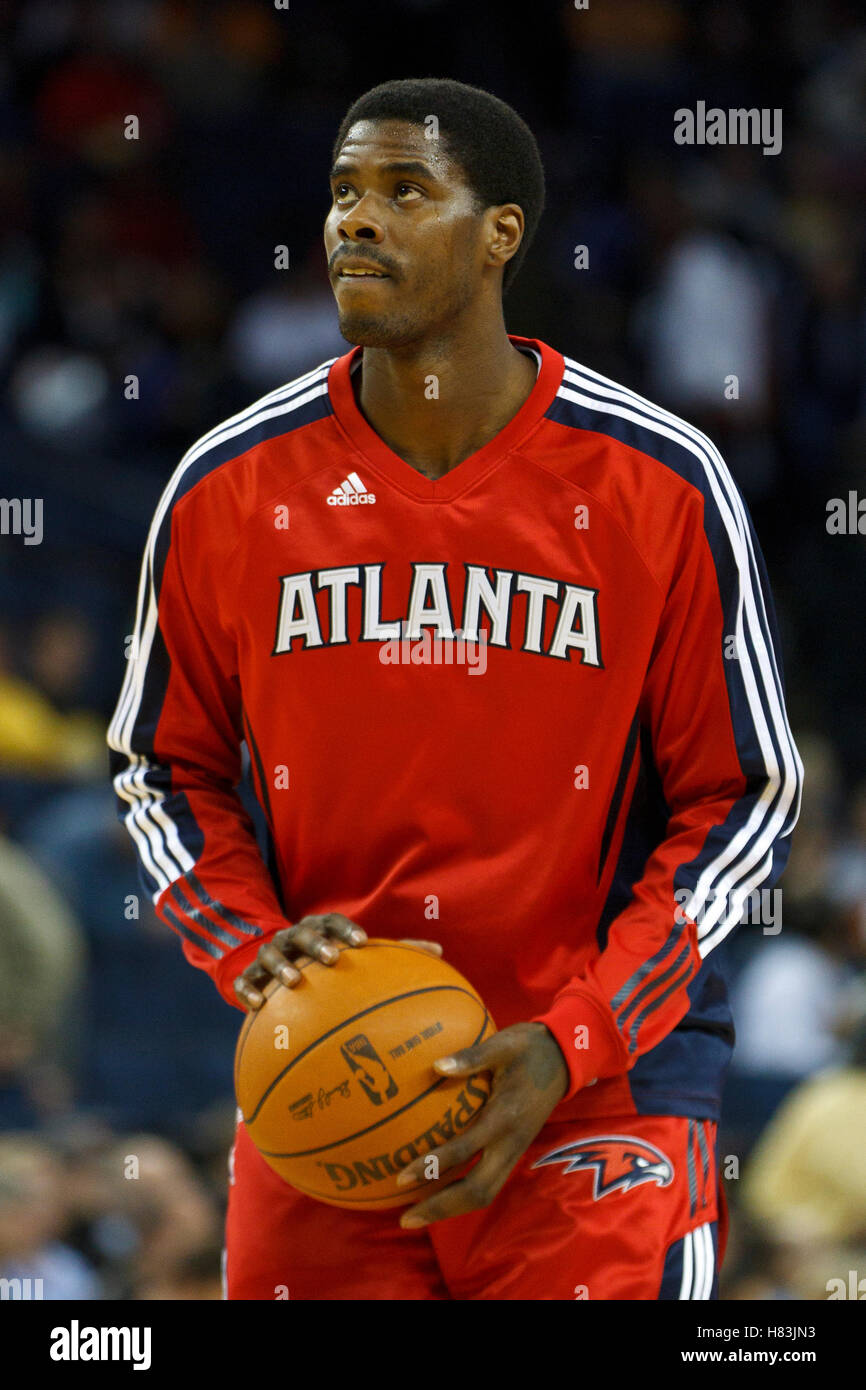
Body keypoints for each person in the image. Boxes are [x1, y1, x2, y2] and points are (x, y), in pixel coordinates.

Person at [108, 77, 803, 1301]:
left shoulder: (657, 480)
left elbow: (740, 800)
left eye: (402, 191)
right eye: (340, 193)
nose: (352, 223)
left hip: (596, 1084)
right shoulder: (227, 487)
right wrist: (254, 950)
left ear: (501, 234)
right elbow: (166, 769)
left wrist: (573, 1038)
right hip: (334, 1086)